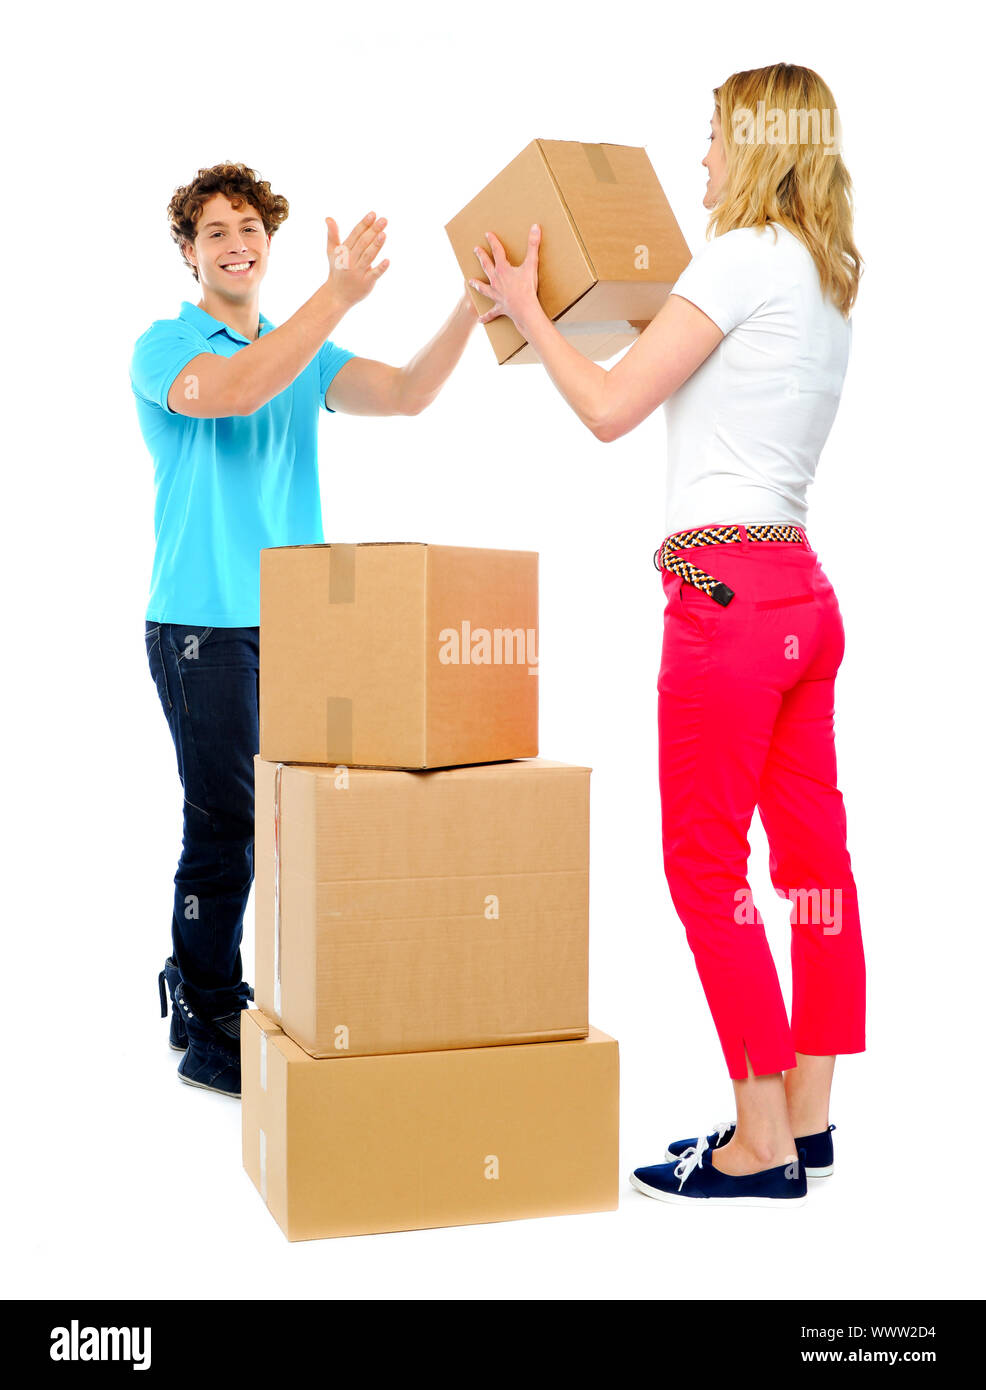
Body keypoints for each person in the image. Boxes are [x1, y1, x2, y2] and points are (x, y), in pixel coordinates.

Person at [468, 63, 865, 1206]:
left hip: (723, 604)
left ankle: (754, 1142)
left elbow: (605, 410)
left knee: (703, 866)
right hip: (800, 596)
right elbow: (711, 378)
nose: (697, 159)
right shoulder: (827, 276)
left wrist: (528, 307)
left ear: (752, 141)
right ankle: (807, 1111)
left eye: (709, 138)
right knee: (813, 867)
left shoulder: (738, 259)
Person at [131, 162, 478, 1098]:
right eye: (214, 231)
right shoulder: (165, 349)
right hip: (201, 627)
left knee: (283, 818)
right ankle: (205, 1003)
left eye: (249, 226)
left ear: (269, 239)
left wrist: (471, 309)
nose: (235, 242)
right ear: (189, 252)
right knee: (226, 819)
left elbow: (407, 393)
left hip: (296, 623)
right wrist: (339, 294)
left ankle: (215, 988)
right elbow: (237, 390)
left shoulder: (302, 350)